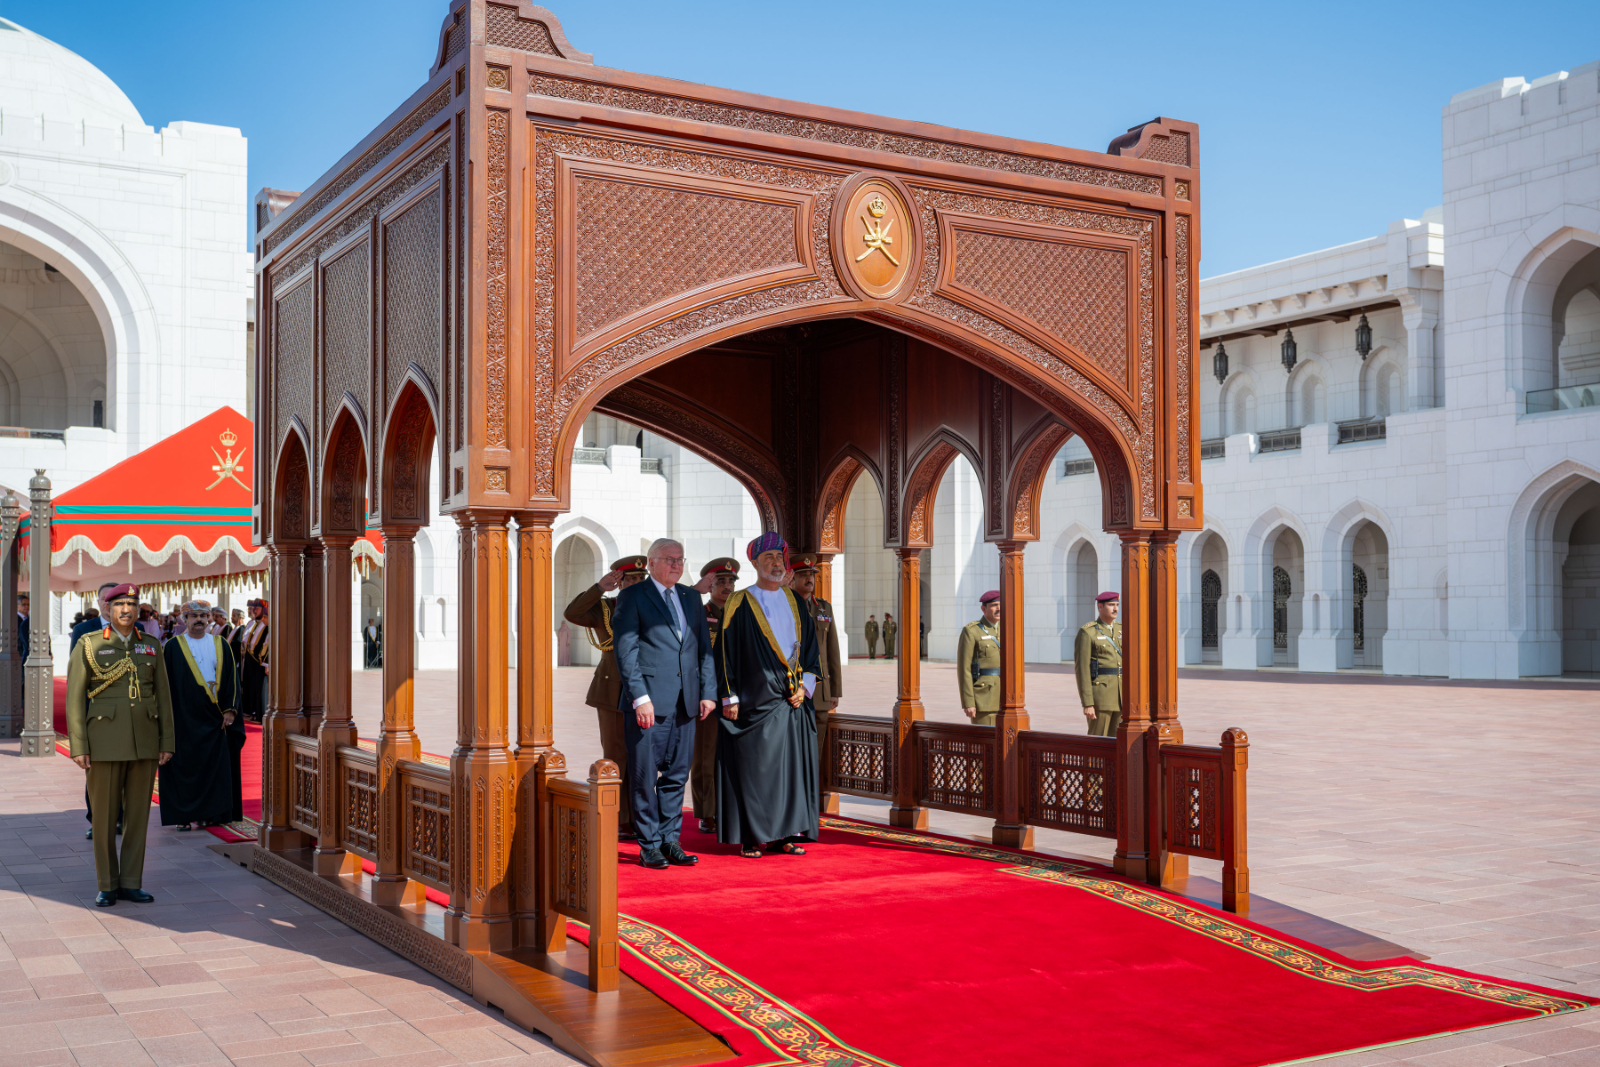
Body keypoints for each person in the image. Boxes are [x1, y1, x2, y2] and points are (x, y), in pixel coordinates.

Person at [65, 583, 174, 907]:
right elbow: (74, 698)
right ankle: (107, 884)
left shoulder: (151, 645)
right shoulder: (90, 643)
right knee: (104, 818)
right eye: (119, 604)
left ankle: (131, 882)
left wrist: (166, 740)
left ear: (138, 609)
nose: (126, 610)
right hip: (104, 741)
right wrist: (79, 745)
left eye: (132, 604)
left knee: (138, 817)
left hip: (144, 741)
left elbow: (164, 697)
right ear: (108, 609)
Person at [715, 533, 821, 859]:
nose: (776, 564)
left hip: (793, 700)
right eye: (768, 558)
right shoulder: (739, 602)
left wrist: (804, 686)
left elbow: (811, 649)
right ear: (755, 562)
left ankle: (783, 835)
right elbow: (724, 653)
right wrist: (729, 696)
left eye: (779, 557)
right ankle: (750, 836)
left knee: (789, 772)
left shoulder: (795, 601)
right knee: (755, 770)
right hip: (754, 701)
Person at [611, 539, 715, 870]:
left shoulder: (691, 597)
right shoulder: (633, 596)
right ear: (651, 562)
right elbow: (626, 651)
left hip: (687, 702)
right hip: (649, 704)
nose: (676, 565)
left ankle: (671, 840)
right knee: (644, 777)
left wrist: (708, 691)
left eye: (680, 559)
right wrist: (640, 697)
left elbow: (703, 649)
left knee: (676, 775)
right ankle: (650, 845)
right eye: (669, 559)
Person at [563, 554, 648, 840]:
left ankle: (642, 814)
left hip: (647, 689)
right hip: (613, 690)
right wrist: (600, 587)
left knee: (644, 755)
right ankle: (621, 817)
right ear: (619, 582)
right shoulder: (605, 608)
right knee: (616, 753)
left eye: (640, 579)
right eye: (630, 579)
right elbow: (573, 613)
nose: (636, 583)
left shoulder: (655, 606)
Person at [159, 602, 242, 831]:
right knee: (185, 767)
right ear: (184, 619)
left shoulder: (221, 644)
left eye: (203, 616)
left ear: (209, 619)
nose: (199, 620)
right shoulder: (173, 647)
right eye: (193, 616)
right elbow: (165, 684)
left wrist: (230, 709)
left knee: (213, 768)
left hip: (215, 719)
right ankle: (184, 816)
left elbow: (232, 679)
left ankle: (209, 814)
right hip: (183, 718)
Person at [691, 557, 740, 834]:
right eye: (721, 581)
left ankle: (729, 807)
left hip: (736, 696)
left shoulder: (742, 613)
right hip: (708, 696)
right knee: (705, 755)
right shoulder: (700, 613)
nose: (727, 586)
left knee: (733, 755)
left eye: (731, 581)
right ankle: (706, 811)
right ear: (710, 585)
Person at [787, 553, 842, 784]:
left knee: (815, 752)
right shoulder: (785, 607)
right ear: (791, 578)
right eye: (803, 575)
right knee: (791, 749)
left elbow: (832, 650)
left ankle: (810, 796)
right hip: (791, 689)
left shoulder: (823, 608)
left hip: (820, 691)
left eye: (811, 574)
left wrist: (835, 691)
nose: (809, 579)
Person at [1075, 591, 1123, 736]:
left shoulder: (1122, 629)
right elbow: (1082, 670)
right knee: (1098, 740)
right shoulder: (1088, 632)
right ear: (1100, 607)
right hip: (1102, 697)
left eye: (1117, 605)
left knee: (1119, 740)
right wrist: (1088, 703)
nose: (1115, 609)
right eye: (1111, 605)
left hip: (1122, 696)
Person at [957, 590, 1003, 726]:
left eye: (1001, 605)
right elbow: (964, 669)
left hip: (1008, 698)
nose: (999, 608)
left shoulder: (1008, 628)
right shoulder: (971, 631)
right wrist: (969, 702)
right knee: (987, 737)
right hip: (985, 698)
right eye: (994, 605)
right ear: (984, 609)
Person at [236, 599, 270, 722]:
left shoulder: (267, 626)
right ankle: (253, 711)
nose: (254, 611)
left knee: (260, 690)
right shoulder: (255, 624)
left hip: (260, 662)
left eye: (257, 609)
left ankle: (258, 713)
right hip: (253, 660)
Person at [16, 592, 28, 659]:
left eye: (28, 604)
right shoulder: (14, 620)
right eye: (23, 604)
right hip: (20, 653)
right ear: (17, 606)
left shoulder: (31, 619)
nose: (26, 607)